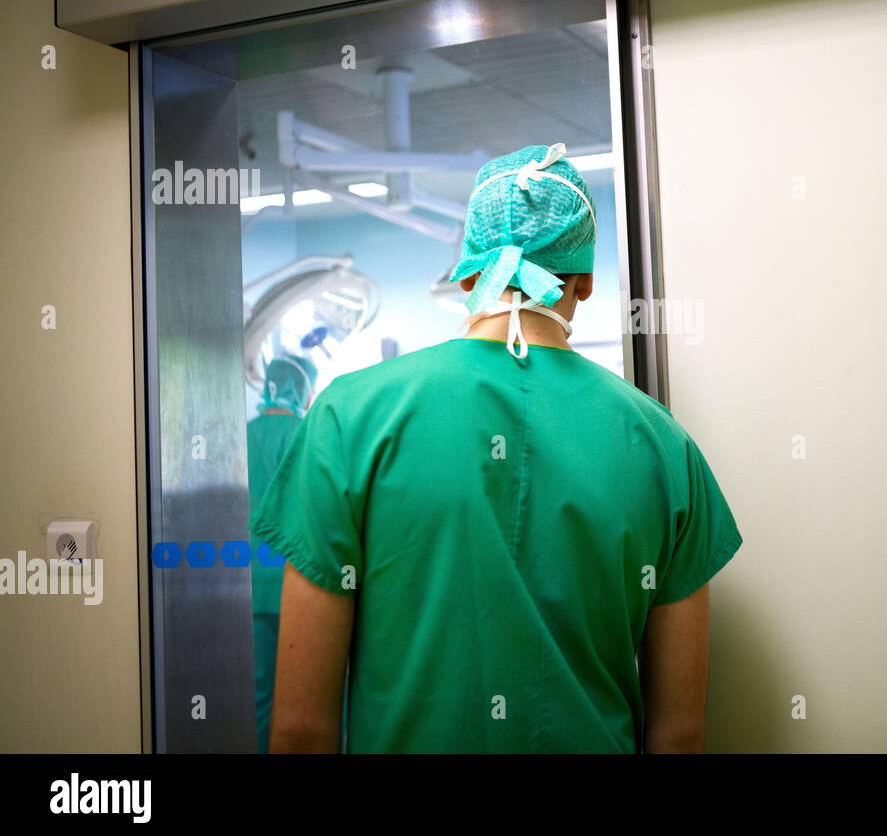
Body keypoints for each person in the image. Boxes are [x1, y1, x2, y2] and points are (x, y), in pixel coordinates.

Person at [252, 142, 742, 753]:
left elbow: (300, 730)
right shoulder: (661, 444)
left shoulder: (349, 417)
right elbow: (679, 734)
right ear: (585, 280)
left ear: (466, 274)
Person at [245, 353, 317, 754]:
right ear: (304, 389)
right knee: (303, 696)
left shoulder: (242, 433)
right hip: (298, 584)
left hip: (250, 583)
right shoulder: (306, 433)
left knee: (258, 693)